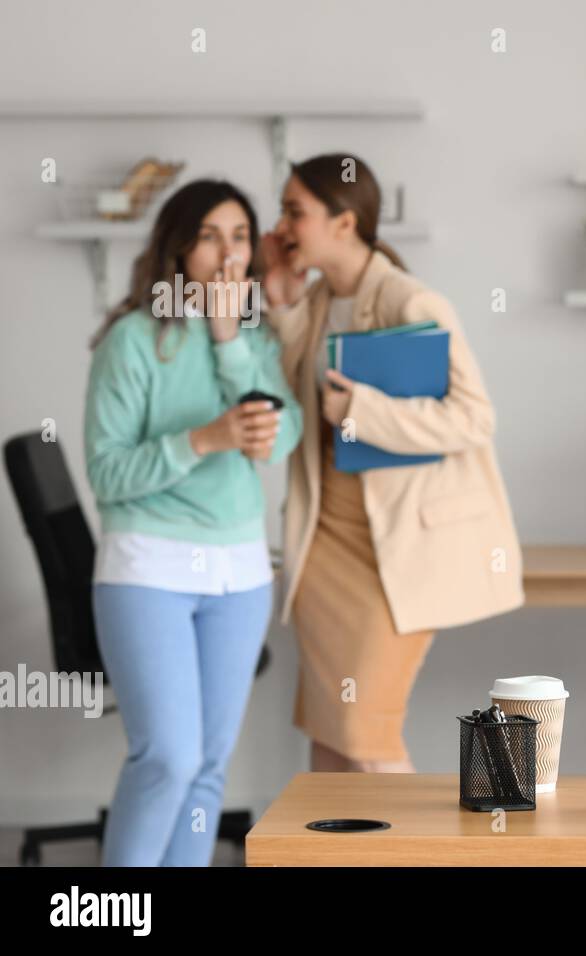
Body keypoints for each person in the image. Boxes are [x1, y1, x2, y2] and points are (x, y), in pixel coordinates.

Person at [259, 153, 524, 773]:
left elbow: (475, 417)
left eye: (295, 211)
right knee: (329, 736)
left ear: (344, 223)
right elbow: (296, 399)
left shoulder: (412, 301)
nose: (282, 226)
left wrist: (365, 410)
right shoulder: (321, 301)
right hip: (327, 544)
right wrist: (282, 302)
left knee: (365, 735)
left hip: (391, 553)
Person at [85, 179, 303, 865]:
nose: (227, 251)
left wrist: (226, 336)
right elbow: (107, 473)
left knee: (209, 767)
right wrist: (201, 440)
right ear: (178, 247)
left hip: (239, 575)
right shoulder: (132, 340)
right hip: (147, 570)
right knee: (168, 760)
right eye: (210, 235)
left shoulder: (256, 336)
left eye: (240, 236)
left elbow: (283, 435)